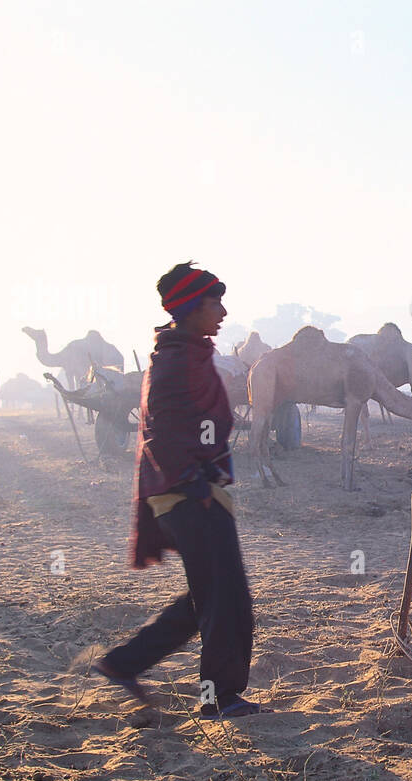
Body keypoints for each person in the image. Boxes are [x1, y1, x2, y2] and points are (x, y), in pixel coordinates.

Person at [93, 262, 260, 719]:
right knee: (226, 598)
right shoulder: (174, 362)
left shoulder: (187, 354)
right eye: (215, 303)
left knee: (209, 594)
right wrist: (194, 481)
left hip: (197, 490)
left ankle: (124, 662)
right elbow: (162, 432)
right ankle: (219, 699)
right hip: (187, 493)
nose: (223, 312)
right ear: (191, 308)